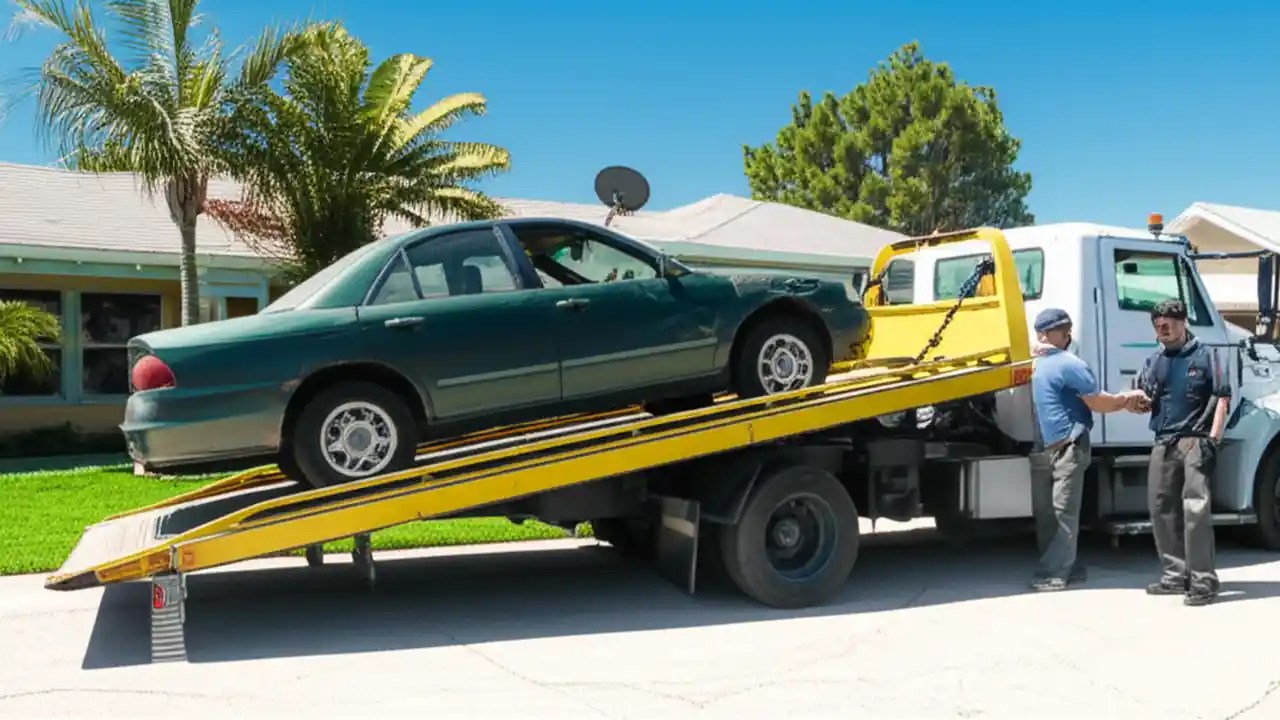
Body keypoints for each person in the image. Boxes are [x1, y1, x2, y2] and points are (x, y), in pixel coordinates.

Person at [1028, 308, 1144, 591]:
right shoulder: (1046, 361)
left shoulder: (1067, 364)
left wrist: (1124, 399)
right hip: (1049, 446)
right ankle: (1065, 567)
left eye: (1063, 329)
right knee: (1049, 515)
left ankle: (1055, 573)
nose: (1066, 333)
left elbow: (1098, 401)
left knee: (1060, 513)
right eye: (1059, 330)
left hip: (1068, 444)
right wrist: (1126, 400)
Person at [1127, 299, 1231, 606]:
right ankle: (1175, 576)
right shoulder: (1153, 360)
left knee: (1195, 511)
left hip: (1195, 440)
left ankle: (1203, 582)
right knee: (1161, 508)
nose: (1163, 329)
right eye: (1158, 325)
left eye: (1169, 323)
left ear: (1183, 322)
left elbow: (1222, 398)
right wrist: (1135, 403)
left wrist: (1212, 439)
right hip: (1164, 441)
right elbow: (1146, 400)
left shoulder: (1207, 355)